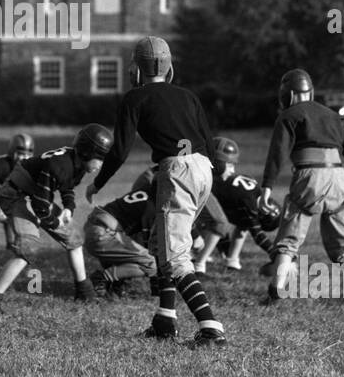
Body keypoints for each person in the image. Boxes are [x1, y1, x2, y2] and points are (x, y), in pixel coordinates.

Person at [87, 37, 228, 347]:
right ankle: (165, 320)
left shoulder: (134, 98)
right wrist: (210, 177)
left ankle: (210, 326)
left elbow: (120, 150)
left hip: (176, 171)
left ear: (135, 70)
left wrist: (97, 183)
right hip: (204, 169)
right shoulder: (188, 96)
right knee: (161, 245)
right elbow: (208, 138)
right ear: (170, 68)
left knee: (175, 256)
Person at [262, 69, 344, 309]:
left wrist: (267, 186)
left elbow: (278, 153)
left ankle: (277, 289)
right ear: (310, 91)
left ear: (288, 95)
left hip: (310, 177)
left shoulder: (289, 115)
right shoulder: (332, 115)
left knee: (290, 235)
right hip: (339, 177)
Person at [0, 126, 110, 309]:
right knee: (28, 248)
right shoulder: (59, 165)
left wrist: (68, 208)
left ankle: (84, 292)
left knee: (74, 237)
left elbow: (66, 187)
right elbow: (41, 207)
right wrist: (55, 222)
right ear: (88, 153)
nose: (101, 165)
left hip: (33, 193)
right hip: (16, 195)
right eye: (101, 159)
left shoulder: (75, 162)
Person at [190, 137, 280, 275]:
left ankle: (232, 260)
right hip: (206, 195)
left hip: (215, 196)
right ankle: (199, 264)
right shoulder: (248, 201)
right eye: (230, 165)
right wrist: (277, 254)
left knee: (242, 225)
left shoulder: (255, 190)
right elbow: (258, 236)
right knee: (220, 225)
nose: (233, 170)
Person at [84, 169, 159, 298]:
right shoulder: (153, 204)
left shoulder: (145, 191)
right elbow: (151, 245)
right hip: (104, 235)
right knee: (150, 264)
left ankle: (114, 284)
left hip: (97, 228)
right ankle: (101, 278)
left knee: (135, 253)